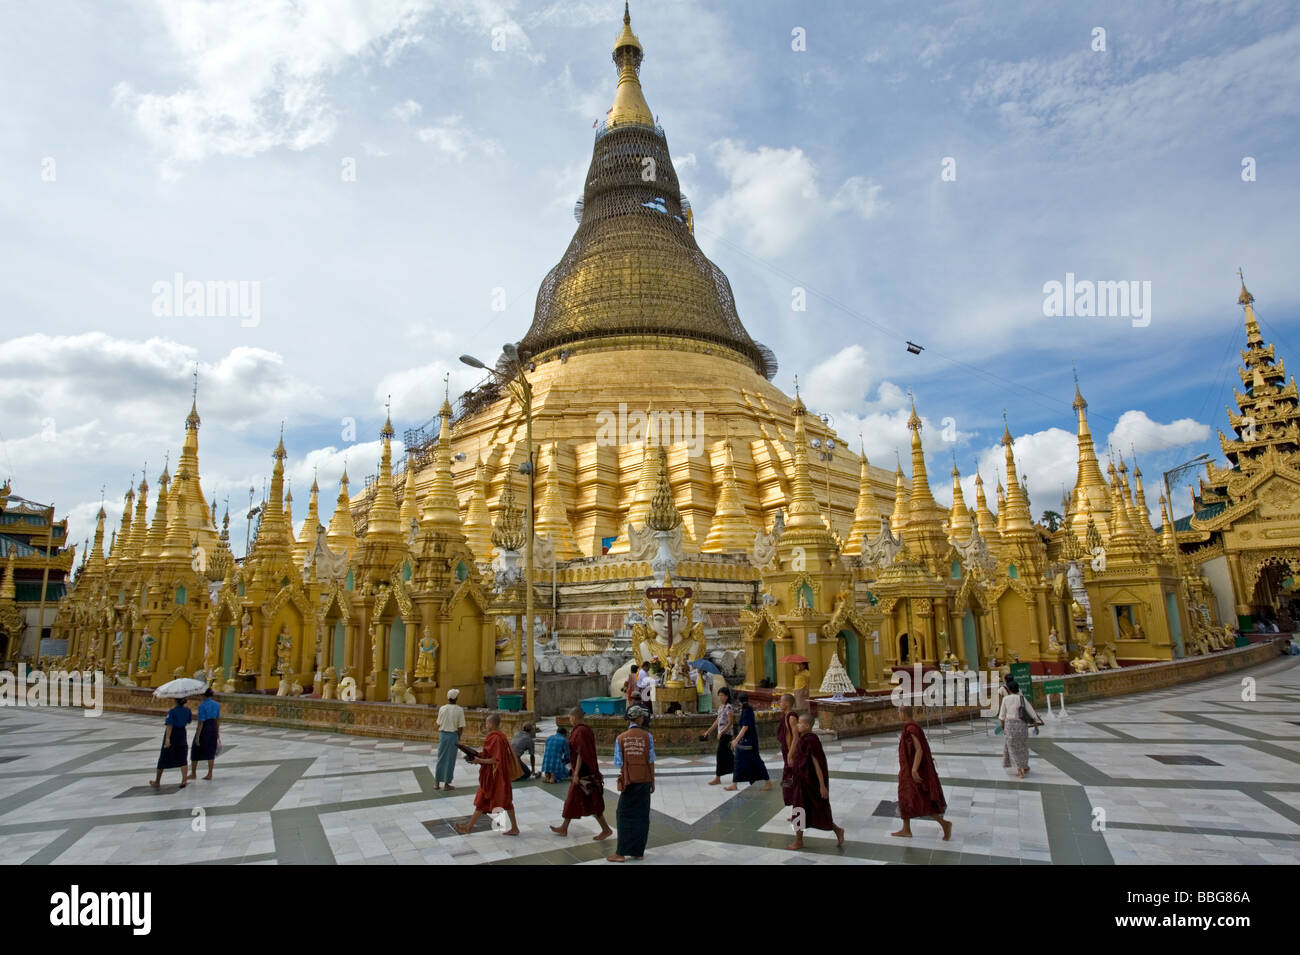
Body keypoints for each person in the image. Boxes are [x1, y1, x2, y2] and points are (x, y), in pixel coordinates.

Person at [551, 707, 613, 841]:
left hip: (585, 774)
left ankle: (606, 829)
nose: (570, 720)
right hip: (586, 772)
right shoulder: (586, 730)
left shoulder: (580, 731)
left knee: (593, 802)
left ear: (574, 717)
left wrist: (576, 773)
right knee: (572, 801)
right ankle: (564, 828)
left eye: (570, 718)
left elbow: (581, 753)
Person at [892, 705, 951, 839]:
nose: (898, 715)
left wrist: (914, 769)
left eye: (899, 712)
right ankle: (906, 829)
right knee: (904, 798)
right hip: (907, 769)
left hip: (912, 771)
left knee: (921, 800)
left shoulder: (911, 729)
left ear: (903, 713)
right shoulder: (910, 727)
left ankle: (944, 824)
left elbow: (919, 749)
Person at [455, 713, 520, 836]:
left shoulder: (495, 738)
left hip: (495, 776)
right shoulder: (500, 736)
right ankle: (469, 827)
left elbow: (496, 760)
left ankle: (469, 827)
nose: (486, 725)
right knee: (501, 801)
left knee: (489, 799)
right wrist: (476, 755)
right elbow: (490, 755)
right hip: (497, 775)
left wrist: (479, 761)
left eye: (486, 723)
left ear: (491, 724)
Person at [788, 712, 844, 850]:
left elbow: (817, 763)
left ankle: (800, 841)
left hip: (810, 782)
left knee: (810, 809)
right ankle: (836, 830)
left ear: (807, 726)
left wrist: (822, 786)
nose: (797, 725)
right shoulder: (803, 738)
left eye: (800, 723)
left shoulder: (811, 740)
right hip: (801, 781)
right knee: (799, 810)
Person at [608, 705, 655, 862]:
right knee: (642, 815)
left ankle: (620, 853)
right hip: (645, 781)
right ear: (640, 719)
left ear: (629, 720)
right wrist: (652, 781)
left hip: (629, 781)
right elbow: (651, 760)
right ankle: (638, 851)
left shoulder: (621, 738)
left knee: (623, 814)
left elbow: (618, 762)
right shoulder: (647, 736)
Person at [725, 691, 771, 791]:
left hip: (749, 742)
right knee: (738, 761)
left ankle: (768, 782)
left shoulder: (747, 711)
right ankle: (734, 784)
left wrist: (736, 740)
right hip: (744, 741)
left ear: (738, 701)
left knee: (756, 761)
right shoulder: (745, 710)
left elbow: (745, 727)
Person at [998, 679, 1042, 778]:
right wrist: (1036, 727)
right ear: (1018, 689)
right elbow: (1033, 714)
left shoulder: (1006, 699)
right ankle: (1025, 766)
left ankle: (1019, 770)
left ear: (1009, 690)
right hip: (1022, 726)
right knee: (1022, 747)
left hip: (1010, 726)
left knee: (1012, 748)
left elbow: (1002, 716)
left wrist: (1003, 728)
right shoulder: (1022, 699)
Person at [150, 697, 191, 789]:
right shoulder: (188, 710)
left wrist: (167, 739)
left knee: (163, 757)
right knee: (182, 756)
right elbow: (189, 721)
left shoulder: (172, 711)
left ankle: (157, 781)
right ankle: (184, 779)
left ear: (176, 701)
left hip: (173, 734)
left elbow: (169, 725)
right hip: (182, 733)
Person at [700, 686, 735, 785]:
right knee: (728, 756)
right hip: (721, 734)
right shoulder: (720, 707)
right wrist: (708, 731)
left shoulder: (729, 707)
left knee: (720, 755)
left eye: (722, 695)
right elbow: (717, 721)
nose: (720, 697)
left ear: (727, 696)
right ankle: (738, 770)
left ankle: (718, 777)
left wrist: (722, 732)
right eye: (719, 695)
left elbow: (730, 722)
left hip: (726, 735)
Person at [434, 688, 466, 790]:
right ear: (456, 698)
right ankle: (446, 784)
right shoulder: (459, 710)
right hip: (453, 736)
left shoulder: (442, 709)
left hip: (443, 735)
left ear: (448, 698)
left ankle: (437, 783)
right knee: (450, 760)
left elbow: (438, 723)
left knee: (441, 758)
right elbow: (461, 726)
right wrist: (459, 737)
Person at [188, 688, 221, 781]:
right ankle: (210, 773)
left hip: (205, 727)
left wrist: (198, 736)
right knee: (211, 751)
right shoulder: (217, 705)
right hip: (213, 727)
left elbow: (201, 722)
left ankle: (193, 773)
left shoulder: (202, 706)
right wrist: (217, 731)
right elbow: (218, 719)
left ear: (203, 696)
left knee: (195, 750)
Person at [775, 693, 800, 807]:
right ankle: (795, 809)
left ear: (787, 703)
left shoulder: (791, 717)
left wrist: (791, 754)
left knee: (792, 781)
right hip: (787, 752)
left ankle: (797, 809)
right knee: (789, 782)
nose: (780, 703)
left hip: (792, 753)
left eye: (781, 701)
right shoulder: (786, 715)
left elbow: (795, 736)